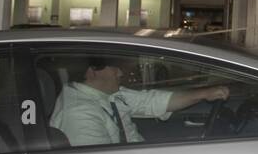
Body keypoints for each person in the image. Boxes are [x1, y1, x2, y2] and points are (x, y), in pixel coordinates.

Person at [49, 56, 229, 146]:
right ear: (92, 72)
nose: (120, 74)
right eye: (115, 69)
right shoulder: (79, 114)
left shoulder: (106, 94)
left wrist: (204, 93)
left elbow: (152, 102)